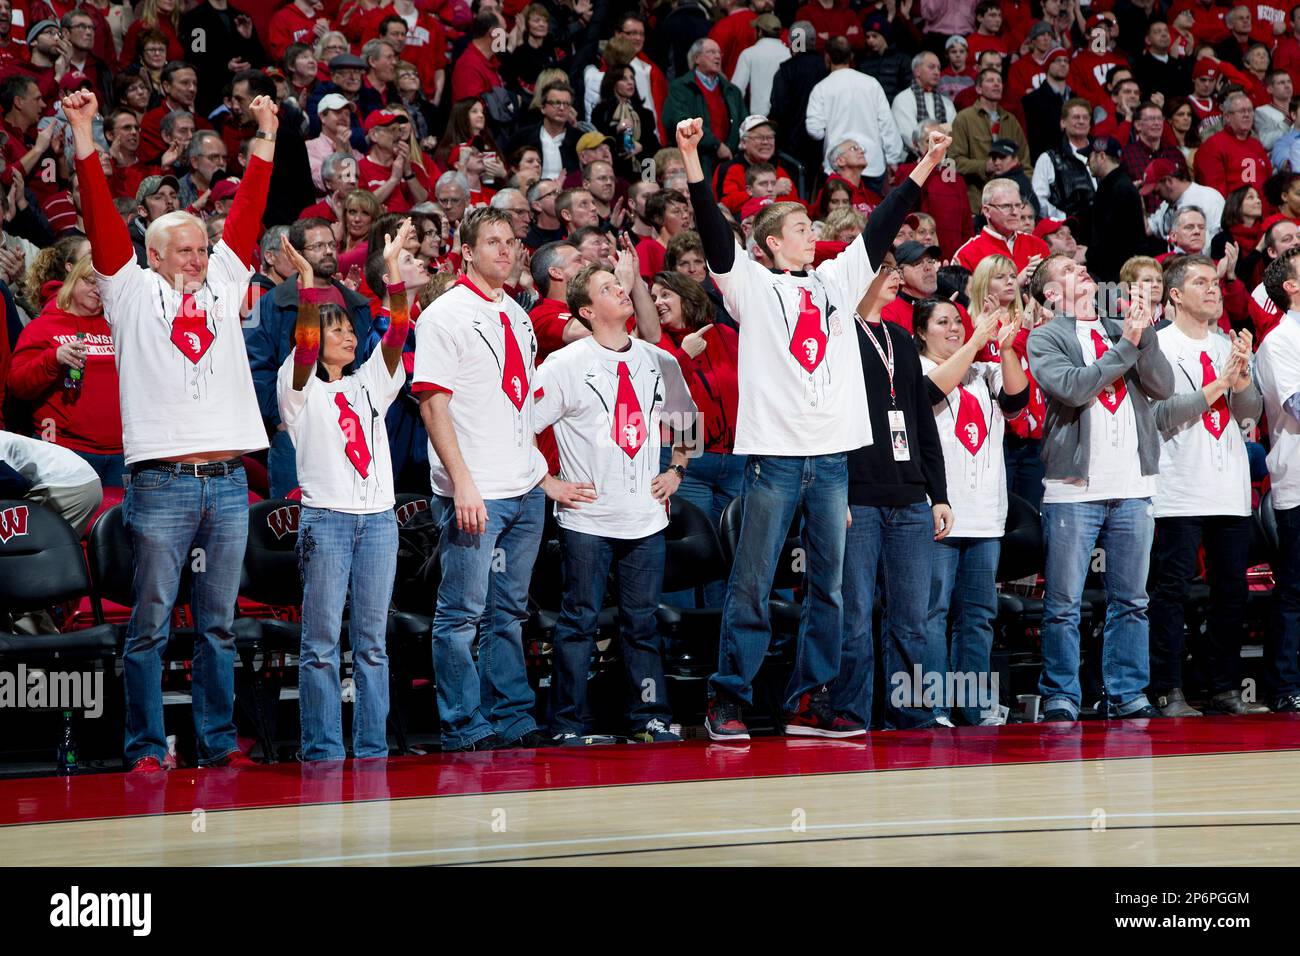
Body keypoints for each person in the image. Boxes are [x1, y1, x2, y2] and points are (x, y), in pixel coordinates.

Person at [681, 115, 953, 741]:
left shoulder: (836, 281)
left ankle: (811, 702)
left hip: (833, 461)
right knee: (752, 585)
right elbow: (715, 237)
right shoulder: (749, 284)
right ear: (771, 244)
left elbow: (885, 220)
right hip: (774, 457)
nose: (812, 235)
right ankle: (728, 701)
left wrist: (926, 163)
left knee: (828, 591)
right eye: (800, 228)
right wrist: (693, 159)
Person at [64, 86, 278, 771]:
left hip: (224, 485)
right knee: (151, 625)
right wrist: (82, 132)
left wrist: (268, 131)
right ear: (152, 256)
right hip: (159, 485)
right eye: (181, 249)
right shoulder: (128, 292)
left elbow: (247, 211)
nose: (195, 257)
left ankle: (217, 745)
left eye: (200, 247)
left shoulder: (222, 283)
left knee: (216, 626)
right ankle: (147, 749)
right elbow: (100, 217)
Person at [411, 206, 580, 751]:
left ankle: (510, 714)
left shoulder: (519, 313)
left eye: (510, 242)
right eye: (492, 242)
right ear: (466, 251)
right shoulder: (445, 315)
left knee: (508, 612)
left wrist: (541, 475)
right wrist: (461, 481)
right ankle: (463, 724)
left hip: (523, 489)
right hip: (475, 489)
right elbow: (433, 404)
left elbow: (516, 405)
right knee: (461, 613)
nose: (505, 251)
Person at [533, 262, 696, 744]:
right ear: (587, 310)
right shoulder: (564, 364)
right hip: (587, 516)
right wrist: (548, 483)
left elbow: (688, 424)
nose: (621, 291)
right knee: (578, 622)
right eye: (607, 289)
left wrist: (676, 470)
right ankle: (566, 725)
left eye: (618, 284)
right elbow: (519, 427)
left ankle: (650, 716)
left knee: (641, 624)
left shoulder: (657, 358)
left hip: (645, 517)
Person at [274, 221, 411, 762]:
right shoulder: (297, 386)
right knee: (322, 647)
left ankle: (373, 749)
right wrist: (309, 282)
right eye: (336, 331)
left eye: (350, 331)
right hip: (327, 520)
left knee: (373, 646)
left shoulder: (370, 382)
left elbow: (398, 330)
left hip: (379, 521)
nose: (348, 338)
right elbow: (306, 344)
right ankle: (324, 750)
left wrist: (394, 267)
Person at [1025, 252, 1175, 721]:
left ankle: (1126, 691)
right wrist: (1127, 344)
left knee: (1132, 600)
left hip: (1132, 484)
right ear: (1051, 293)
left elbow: (1164, 386)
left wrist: (1144, 333)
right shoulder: (1045, 337)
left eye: (1081, 265)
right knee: (1065, 603)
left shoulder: (1120, 327)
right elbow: (1073, 387)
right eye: (1067, 270)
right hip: (1074, 488)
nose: (1081, 270)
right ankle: (1061, 694)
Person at [831, 265, 951, 732]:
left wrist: (937, 493)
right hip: (857, 496)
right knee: (855, 616)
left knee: (912, 618)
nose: (896, 277)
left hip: (910, 499)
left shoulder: (901, 338)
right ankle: (850, 712)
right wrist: (832, 491)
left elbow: (922, 421)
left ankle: (911, 713)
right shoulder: (838, 335)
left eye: (897, 270)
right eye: (884, 270)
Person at [1148, 254, 1266, 717]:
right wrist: (1220, 383)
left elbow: (1249, 415)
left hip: (1229, 487)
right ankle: (1167, 688)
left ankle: (1224, 688)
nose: (1214, 289)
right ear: (1175, 295)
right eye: (1201, 283)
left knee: (1231, 593)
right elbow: (1160, 415)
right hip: (1178, 485)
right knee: (1171, 591)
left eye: (1215, 283)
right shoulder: (1157, 346)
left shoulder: (1226, 344)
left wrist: (1243, 379)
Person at [917, 296, 1028, 725]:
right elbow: (930, 394)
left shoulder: (985, 371)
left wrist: (1005, 346)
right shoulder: (919, 371)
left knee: (978, 617)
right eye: (942, 322)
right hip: (937, 512)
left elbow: (1017, 402)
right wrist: (977, 341)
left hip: (985, 514)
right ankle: (933, 707)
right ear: (921, 332)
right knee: (932, 615)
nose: (953, 329)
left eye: (958, 323)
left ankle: (972, 706)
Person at [246, 217, 374, 498]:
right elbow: (255, 366)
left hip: (350, 425)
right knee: (295, 520)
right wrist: (278, 417)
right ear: (296, 253)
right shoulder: (271, 302)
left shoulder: (357, 304)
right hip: (295, 428)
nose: (328, 251)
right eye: (317, 246)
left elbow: (366, 365)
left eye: (331, 244)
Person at [649, 269, 742, 606]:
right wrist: (683, 355)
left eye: (665, 294)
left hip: (735, 458)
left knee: (729, 556)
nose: (658, 302)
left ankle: (720, 640)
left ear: (687, 297)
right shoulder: (656, 342)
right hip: (685, 458)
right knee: (685, 557)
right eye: (653, 296)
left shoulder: (726, 335)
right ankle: (678, 648)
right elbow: (654, 393)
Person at [8, 255, 124, 487]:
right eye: (89, 281)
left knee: (115, 523)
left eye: (102, 285)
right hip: (65, 449)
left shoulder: (117, 325)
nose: (96, 290)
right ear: (72, 279)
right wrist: (53, 358)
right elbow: (17, 384)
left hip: (120, 453)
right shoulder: (43, 327)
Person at [1254, 248, 1300, 713]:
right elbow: (1296, 406)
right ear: (1290, 285)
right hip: (1298, 480)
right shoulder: (1280, 342)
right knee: (1296, 589)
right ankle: (1285, 684)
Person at [805, 37, 904, 188]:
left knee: (840, 211)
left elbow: (815, 131)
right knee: (871, 210)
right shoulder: (871, 83)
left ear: (827, 57)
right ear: (851, 56)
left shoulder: (821, 88)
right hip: (871, 163)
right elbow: (887, 124)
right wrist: (892, 159)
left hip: (839, 165)